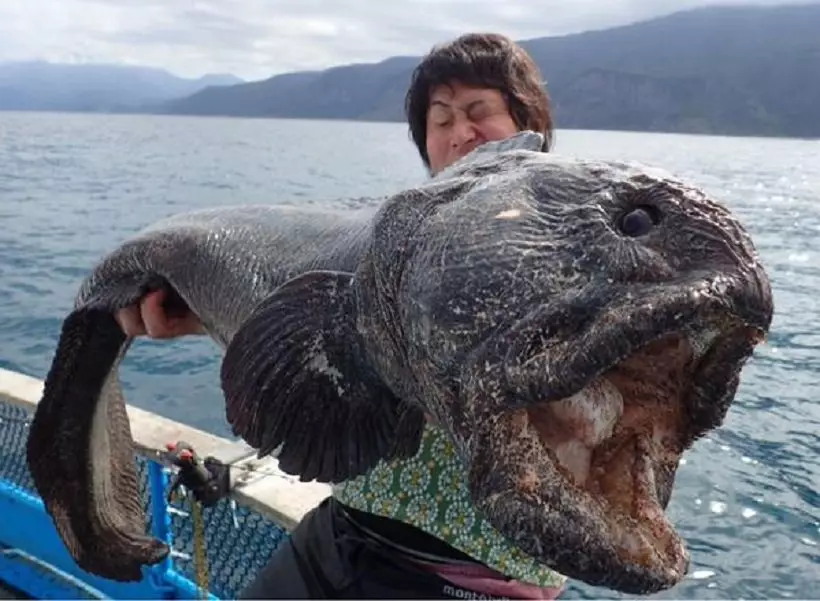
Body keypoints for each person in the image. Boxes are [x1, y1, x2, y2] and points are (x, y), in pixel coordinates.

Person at [117, 32, 563, 600]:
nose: (459, 136)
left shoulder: (569, 251)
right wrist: (204, 314)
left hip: (469, 580)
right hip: (342, 532)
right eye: (441, 120)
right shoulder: (394, 249)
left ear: (531, 124)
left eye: (480, 113)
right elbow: (338, 343)